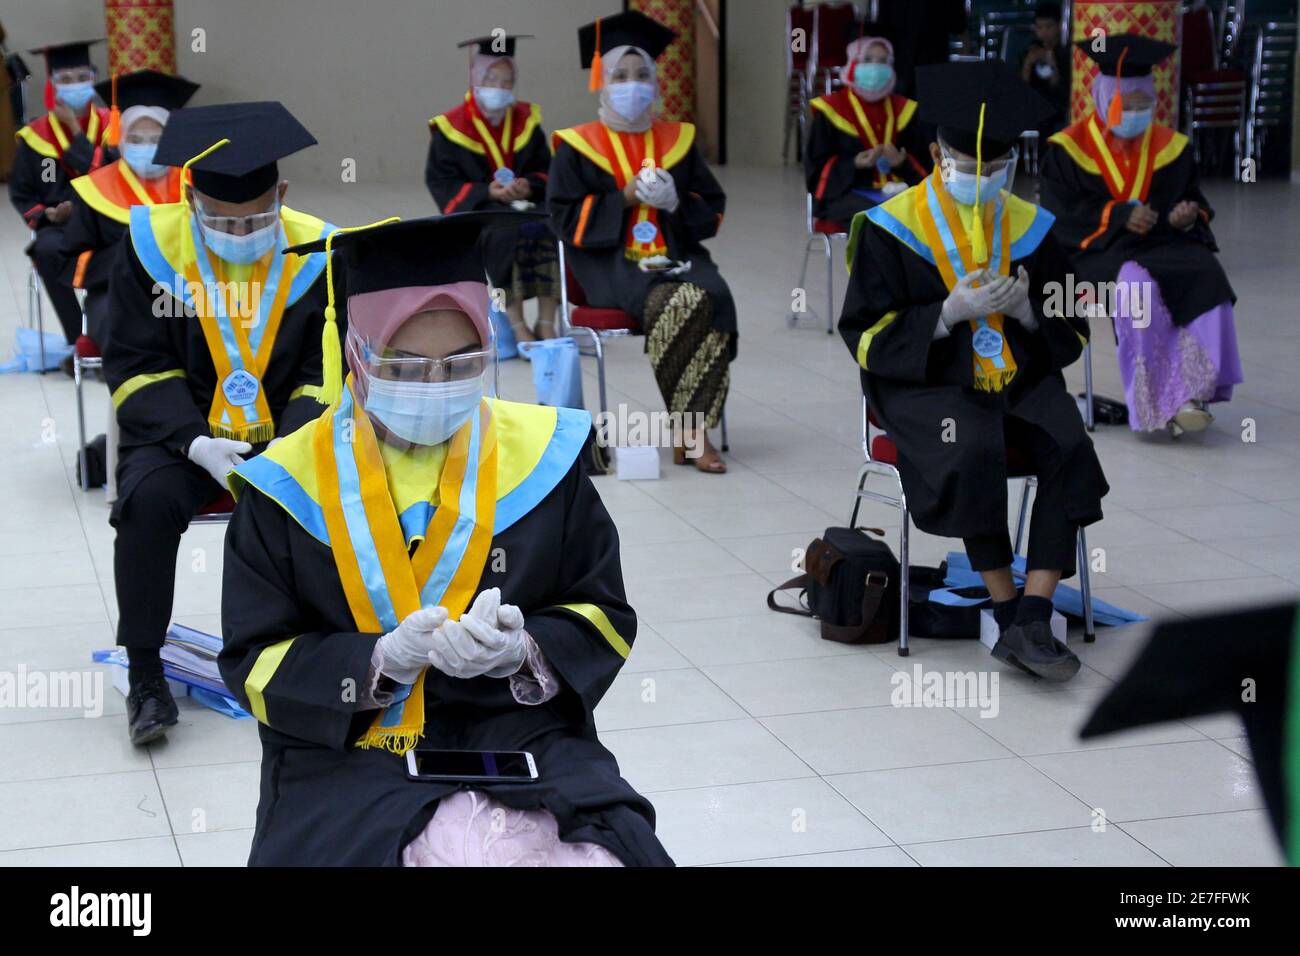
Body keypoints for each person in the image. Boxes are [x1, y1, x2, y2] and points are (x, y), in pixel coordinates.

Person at [219, 210, 673, 867]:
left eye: (461, 362)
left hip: (522, 730)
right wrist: (376, 664)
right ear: (356, 355)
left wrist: (526, 651)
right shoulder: (285, 488)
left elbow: (603, 609)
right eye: (404, 367)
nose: (436, 385)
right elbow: (253, 659)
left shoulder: (546, 457)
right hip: (351, 746)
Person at [838, 61, 1108, 681]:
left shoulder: (1031, 228)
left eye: (996, 168)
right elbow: (864, 331)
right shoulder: (891, 227)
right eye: (969, 164)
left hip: (1018, 369)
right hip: (925, 378)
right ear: (937, 154)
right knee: (970, 444)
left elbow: (1070, 325)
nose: (982, 178)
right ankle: (1007, 608)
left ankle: (1034, 613)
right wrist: (943, 314)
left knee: (1066, 439)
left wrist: (1031, 315)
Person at [102, 102, 339, 745]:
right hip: (185, 438)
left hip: (289, 436)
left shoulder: (318, 249)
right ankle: (147, 673)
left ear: (282, 195)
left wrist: (287, 449)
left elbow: (326, 369)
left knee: (332, 500)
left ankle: (319, 662)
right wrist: (195, 440)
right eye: (221, 220)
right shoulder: (150, 244)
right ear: (190, 198)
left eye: (258, 218)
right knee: (147, 502)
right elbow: (136, 362)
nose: (239, 232)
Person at [548, 10, 735, 473]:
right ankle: (694, 432)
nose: (632, 85)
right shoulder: (576, 145)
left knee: (712, 298)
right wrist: (623, 198)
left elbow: (711, 208)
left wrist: (676, 202)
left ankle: (688, 428)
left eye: (642, 75)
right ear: (602, 82)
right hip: (610, 264)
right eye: (620, 75)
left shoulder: (679, 139)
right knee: (681, 303)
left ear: (655, 82)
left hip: (676, 256)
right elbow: (563, 217)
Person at [1039, 34, 1242, 436]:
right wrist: (1117, 216)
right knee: (1137, 289)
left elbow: (1192, 198)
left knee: (1206, 273)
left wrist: (1188, 214)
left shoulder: (1172, 146)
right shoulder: (1067, 149)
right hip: (1097, 252)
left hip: (1161, 243)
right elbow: (1059, 216)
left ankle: (1195, 392)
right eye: (1127, 105)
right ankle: (1160, 402)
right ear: (1104, 100)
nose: (1137, 113)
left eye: (1144, 105)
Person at [426, 34, 559, 343]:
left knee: (551, 226)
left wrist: (530, 184)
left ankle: (547, 320)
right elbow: (442, 182)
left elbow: (547, 169)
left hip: (525, 204)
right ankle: (517, 325)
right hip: (484, 210)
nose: (499, 88)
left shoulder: (526, 120)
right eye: (491, 78)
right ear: (475, 77)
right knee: (503, 233)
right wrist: (488, 192)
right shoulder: (451, 127)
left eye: (507, 81)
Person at [59, 70, 199, 345]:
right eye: (135, 139)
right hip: (115, 292)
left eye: (156, 139)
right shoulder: (95, 190)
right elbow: (70, 261)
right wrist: (126, 258)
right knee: (120, 325)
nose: (145, 147)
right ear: (120, 140)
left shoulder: (196, 185)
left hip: (184, 292)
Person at [8, 39, 112, 346]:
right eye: (66, 80)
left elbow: (101, 174)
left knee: (123, 252)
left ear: (94, 78)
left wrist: (76, 132)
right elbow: (22, 193)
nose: (76, 85)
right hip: (60, 228)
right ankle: (79, 340)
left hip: (105, 221)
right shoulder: (35, 137)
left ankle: (112, 334)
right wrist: (47, 214)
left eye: (83, 77)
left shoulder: (111, 126)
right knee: (46, 251)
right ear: (53, 86)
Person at [804, 33, 930, 227]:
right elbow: (815, 171)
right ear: (853, 65)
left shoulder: (906, 110)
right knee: (880, 215)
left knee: (920, 211)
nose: (875, 67)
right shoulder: (830, 110)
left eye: (882, 61)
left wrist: (902, 162)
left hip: (897, 190)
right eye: (868, 60)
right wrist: (854, 163)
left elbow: (927, 169)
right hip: (845, 196)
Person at [1018, 3, 1069, 139]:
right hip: (1032, 105)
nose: (1044, 32)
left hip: (1055, 107)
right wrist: (1028, 64)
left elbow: (1061, 92)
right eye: (1039, 27)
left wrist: (1053, 66)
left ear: (1058, 26)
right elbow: (1020, 87)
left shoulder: (1065, 53)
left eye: (1049, 26)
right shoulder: (1029, 50)